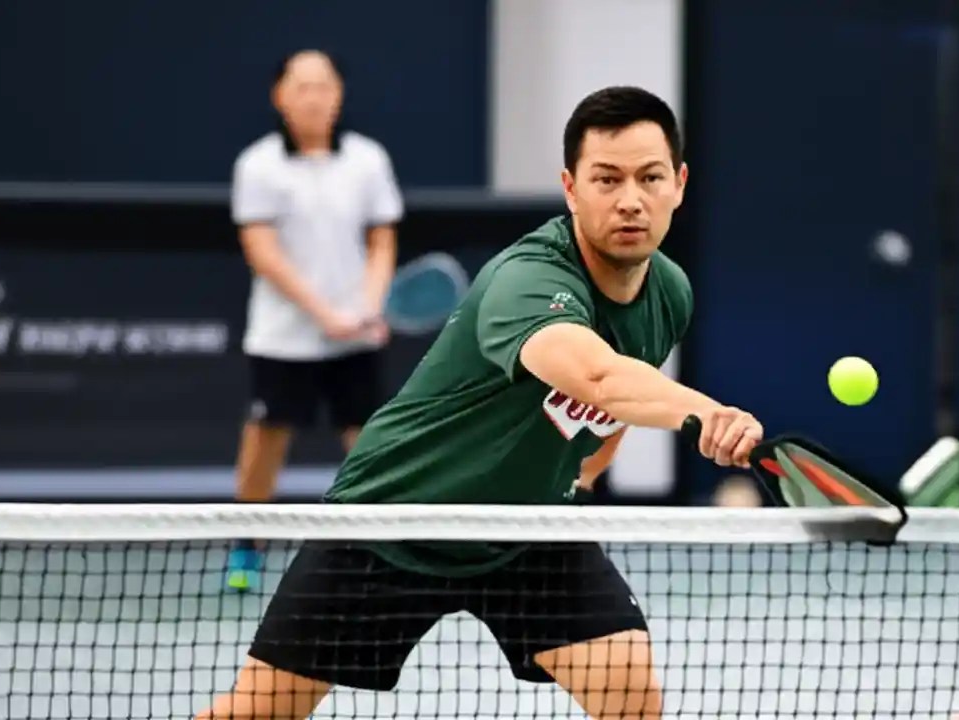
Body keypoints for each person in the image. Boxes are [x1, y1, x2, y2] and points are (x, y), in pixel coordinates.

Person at [195, 86, 764, 720]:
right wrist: (707, 414)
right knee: (256, 713)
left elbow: (624, 394)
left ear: (678, 184)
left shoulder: (669, 292)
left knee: (632, 699)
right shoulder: (528, 279)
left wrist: (580, 480)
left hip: (527, 534)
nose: (630, 199)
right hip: (393, 524)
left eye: (649, 177)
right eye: (607, 179)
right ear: (571, 188)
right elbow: (598, 378)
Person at [225, 50, 403, 592]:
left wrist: (368, 304)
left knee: (369, 442)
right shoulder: (257, 165)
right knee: (266, 439)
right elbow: (262, 251)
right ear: (280, 96)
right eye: (301, 86)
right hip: (283, 337)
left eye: (323, 85)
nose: (313, 96)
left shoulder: (369, 160)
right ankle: (246, 550)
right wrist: (325, 314)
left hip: (356, 335)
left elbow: (381, 238)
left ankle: (383, 550)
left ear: (339, 95)